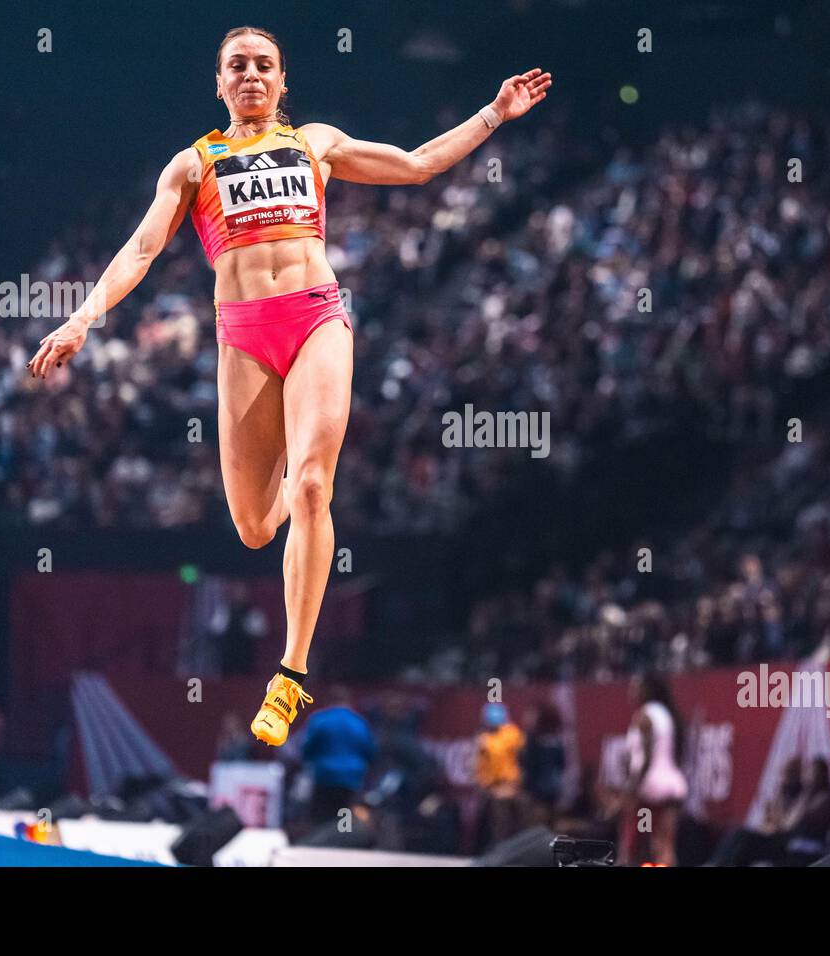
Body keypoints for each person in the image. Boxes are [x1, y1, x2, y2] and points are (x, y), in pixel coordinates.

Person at [27, 26, 551, 747]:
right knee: (251, 527)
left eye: (263, 66)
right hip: (242, 335)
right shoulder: (194, 163)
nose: (250, 76)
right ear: (218, 82)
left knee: (311, 487)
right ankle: (281, 514)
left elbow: (420, 163)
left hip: (315, 318)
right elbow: (143, 248)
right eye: (236, 66)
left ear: (282, 81)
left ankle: (291, 675)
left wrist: (493, 113)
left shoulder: (316, 143)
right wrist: (84, 318)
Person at [618, 673, 688, 866]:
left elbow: (646, 756)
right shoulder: (667, 714)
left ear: (648, 689)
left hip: (649, 793)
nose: (632, 691)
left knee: (635, 844)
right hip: (671, 789)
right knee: (664, 846)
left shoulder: (645, 716)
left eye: (636, 687)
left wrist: (633, 785)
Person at [299, 685, 377, 825]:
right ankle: (343, 838)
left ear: (328, 701)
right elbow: (369, 750)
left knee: (322, 815)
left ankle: (321, 842)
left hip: (324, 775)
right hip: (352, 778)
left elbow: (308, 747)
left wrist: (308, 762)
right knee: (344, 814)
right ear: (348, 701)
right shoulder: (359, 722)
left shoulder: (320, 719)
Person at [474, 702, 525, 847]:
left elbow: (521, 758)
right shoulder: (485, 739)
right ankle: (501, 850)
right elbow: (482, 765)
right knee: (499, 823)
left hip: (512, 784)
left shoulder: (511, 734)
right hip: (495, 786)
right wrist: (482, 782)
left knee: (517, 821)